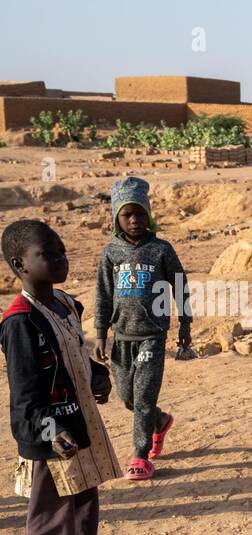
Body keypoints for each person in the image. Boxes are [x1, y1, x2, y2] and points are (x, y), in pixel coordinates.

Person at [3, 220, 123, 535]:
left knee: (84, 509)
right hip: (51, 436)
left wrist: (96, 373)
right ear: (20, 264)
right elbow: (23, 394)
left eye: (62, 252)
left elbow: (73, 352)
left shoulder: (66, 304)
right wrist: (48, 430)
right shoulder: (20, 323)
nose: (59, 260)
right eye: (47, 255)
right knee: (52, 518)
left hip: (80, 424)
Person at [93, 176, 191, 482]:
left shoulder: (161, 250)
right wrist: (100, 333)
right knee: (127, 398)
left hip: (152, 336)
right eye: (127, 214)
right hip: (121, 337)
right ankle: (159, 422)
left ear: (149, 214)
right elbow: (103, 294)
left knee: (144, 397)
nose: (135, 220)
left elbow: (180, 287)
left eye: (140, 214)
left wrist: (185, 324)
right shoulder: (110, 253)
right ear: (116, 218)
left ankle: (139, 453)